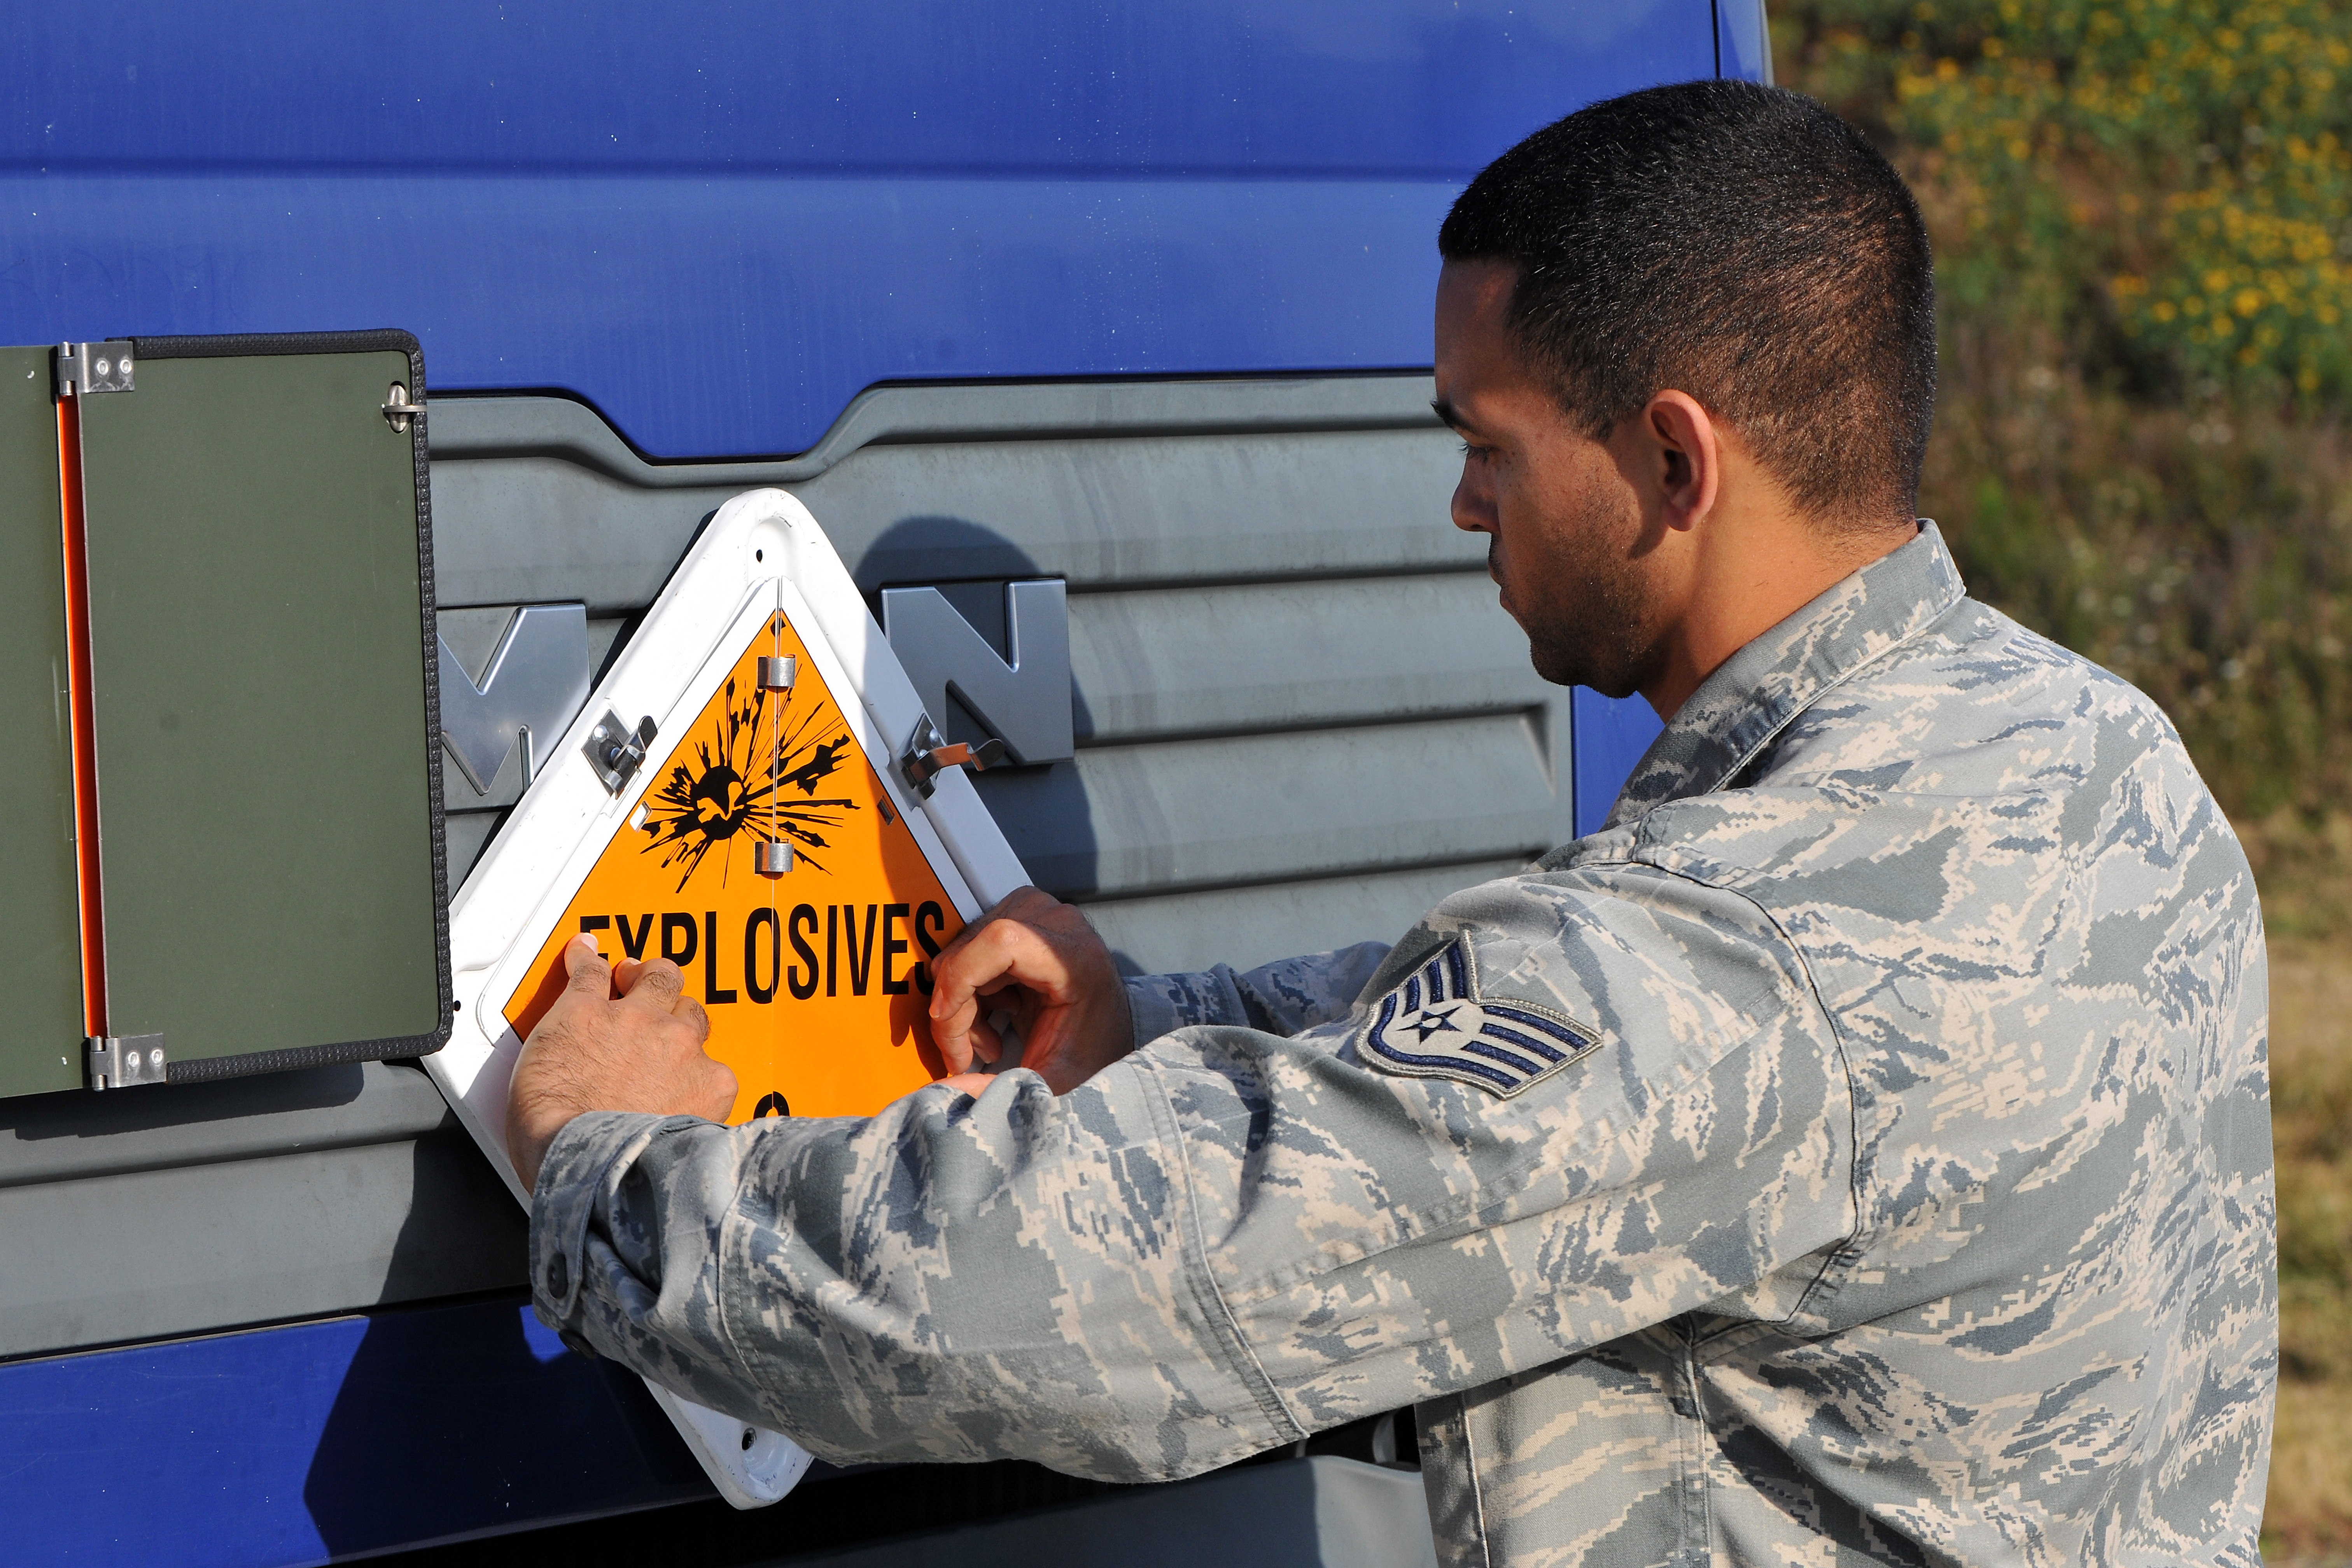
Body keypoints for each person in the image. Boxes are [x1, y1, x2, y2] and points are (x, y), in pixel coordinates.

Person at [505, 79, 2275, 1565]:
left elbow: (1123, 1302)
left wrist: (631, 1175)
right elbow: (1532, 1061)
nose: (1458, 502)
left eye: (1489, 443)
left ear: (1675, 463)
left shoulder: (1744, 956)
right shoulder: (2095, 755)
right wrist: (1169, 1019)